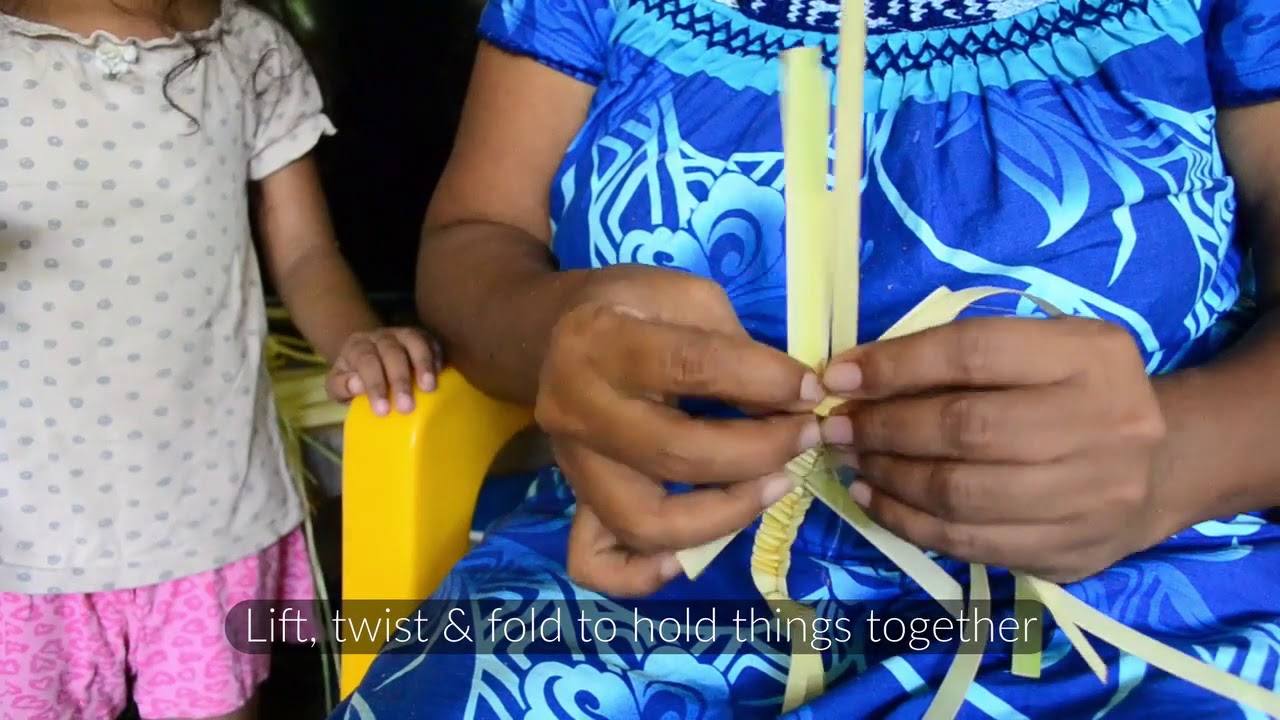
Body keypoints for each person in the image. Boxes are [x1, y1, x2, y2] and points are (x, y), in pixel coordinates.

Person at [333, 0, 1280, 716]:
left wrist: (1174, 460)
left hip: (1138, 597)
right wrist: (553, 330)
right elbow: (474, 234)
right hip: (649, 574)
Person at [0, 1, 438, 718]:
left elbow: (303, 253)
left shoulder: (248, 48)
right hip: (21, 535)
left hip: (209, 511)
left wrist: (356, 338)